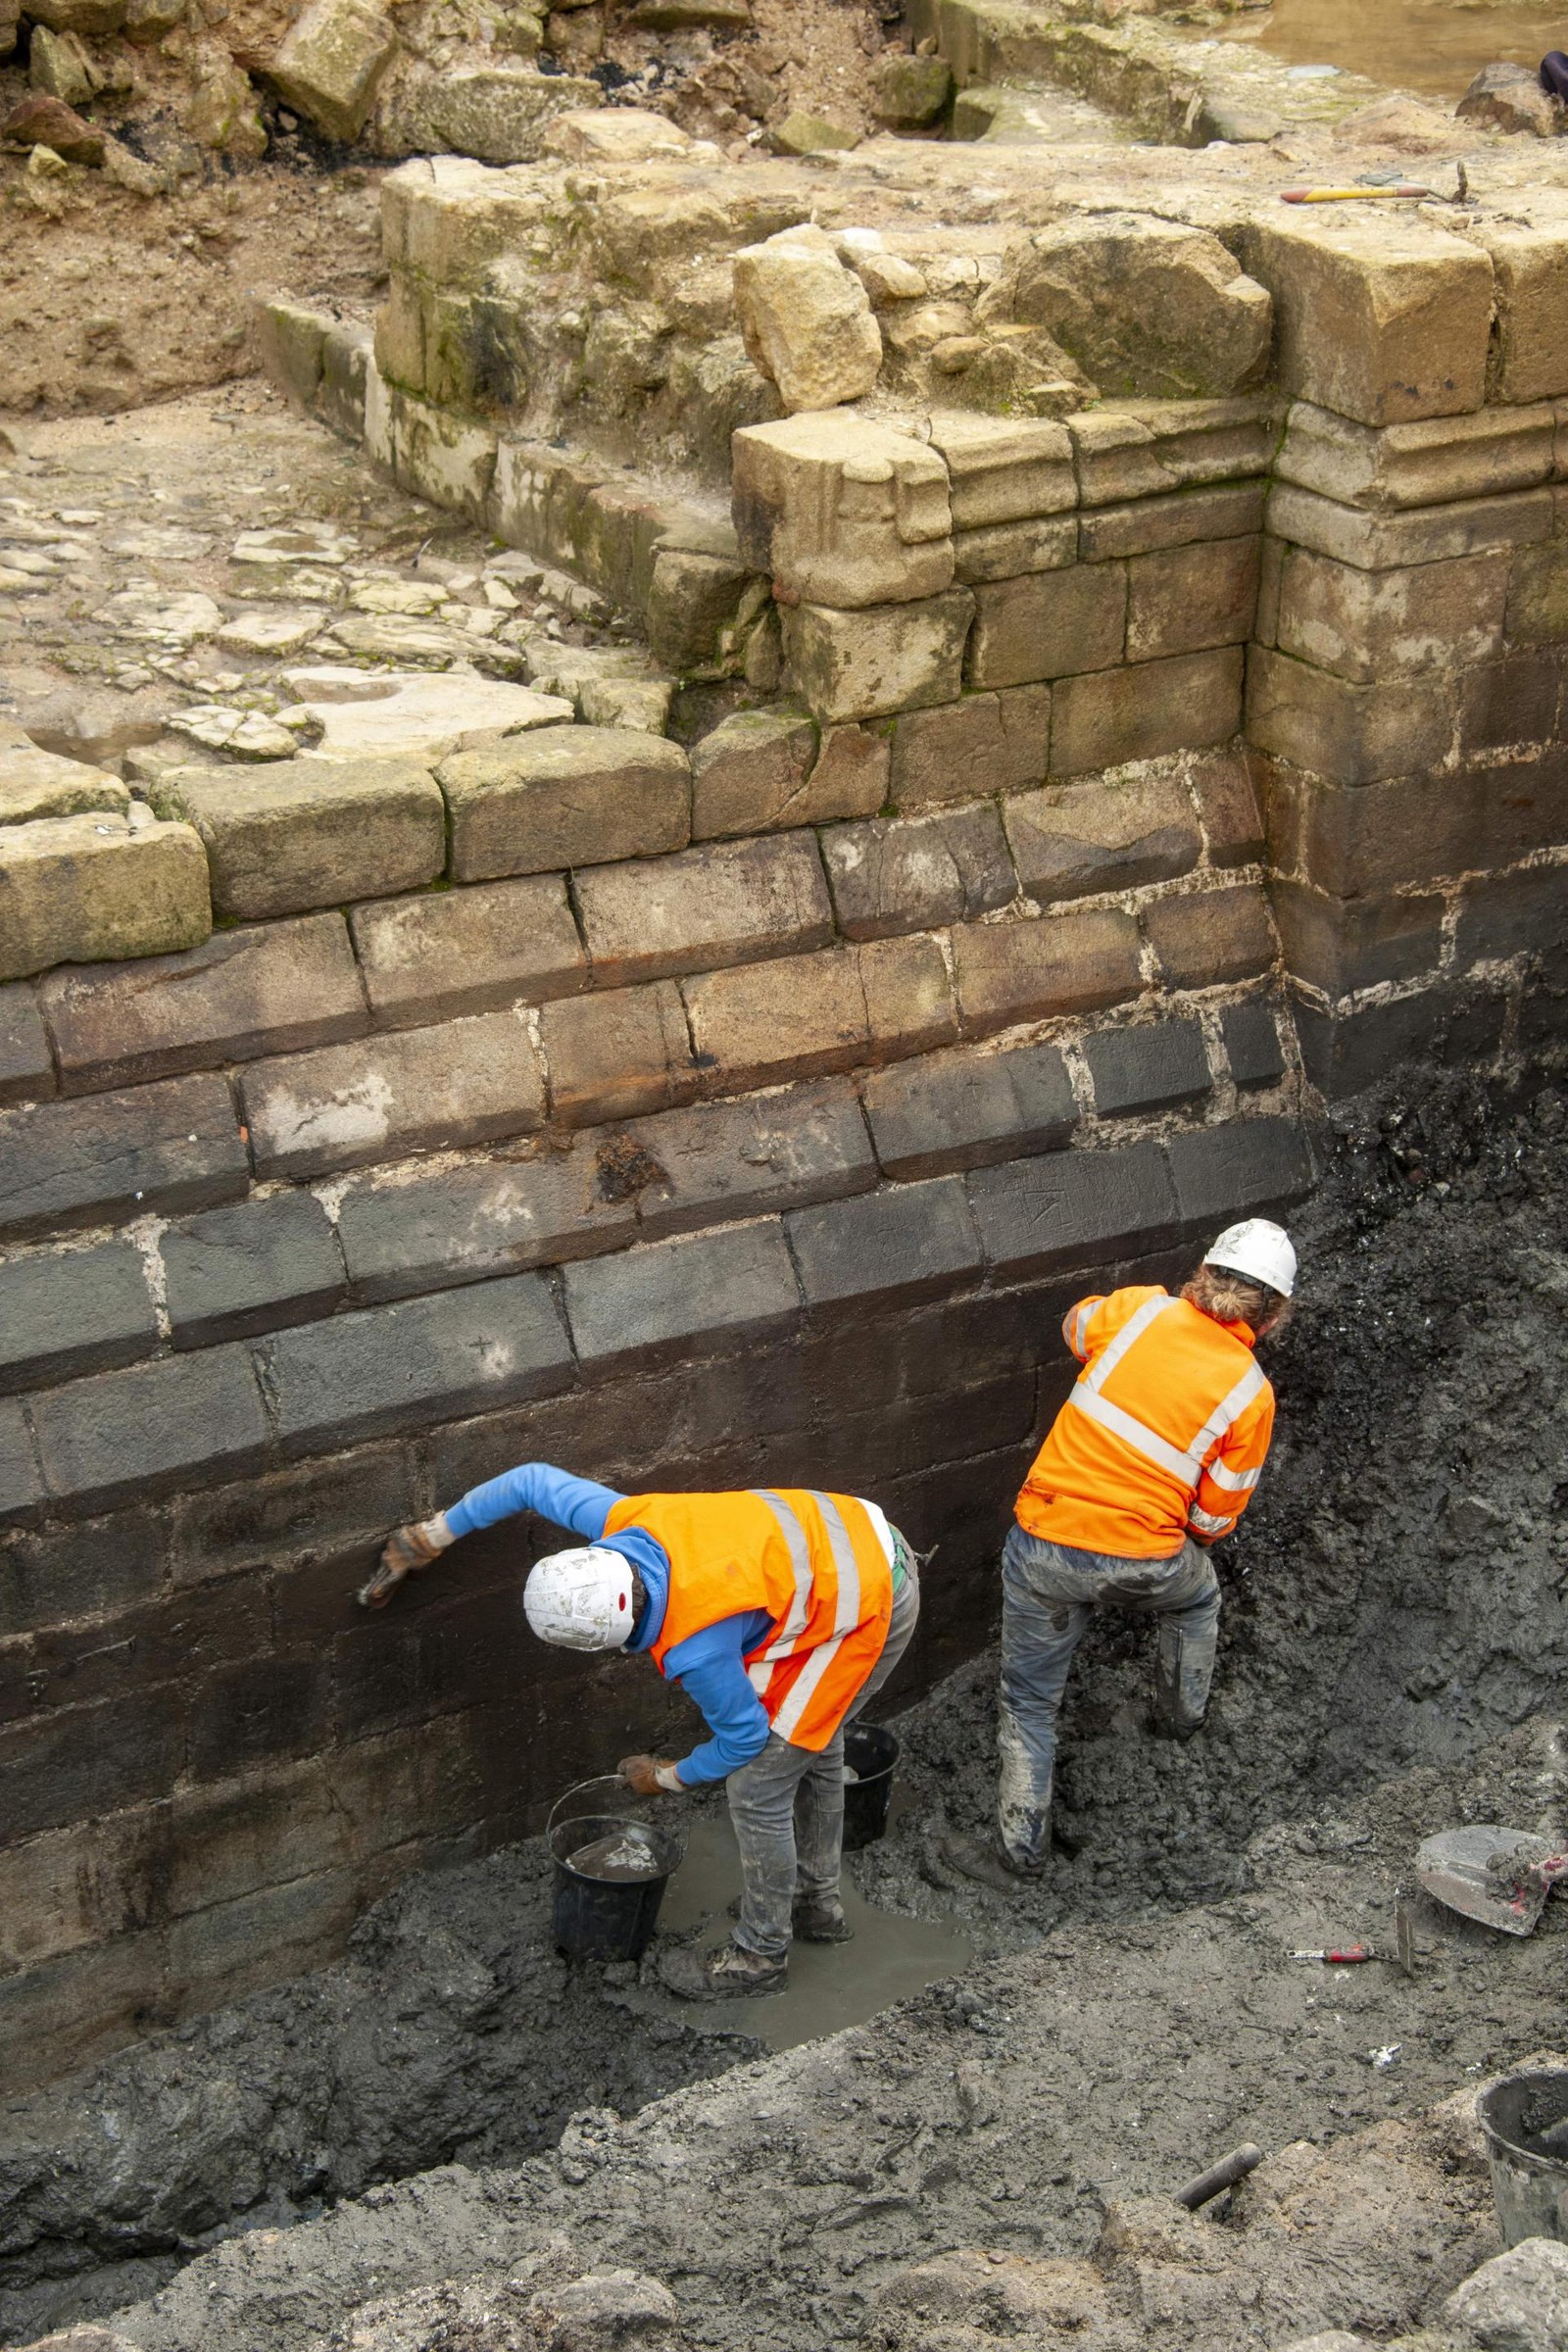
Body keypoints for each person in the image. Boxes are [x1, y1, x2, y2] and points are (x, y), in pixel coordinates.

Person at [365, 1465, 921, 1997]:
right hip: (843, 1537)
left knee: (758, 1785)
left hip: (869, 1596)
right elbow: (530, 1481)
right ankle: (815, 1907)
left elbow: (744, 1740)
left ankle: (760, 1957)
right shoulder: (627, 1521)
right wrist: (430, 1537)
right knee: (810, 1738)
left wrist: (667, 1777)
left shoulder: (697, 1647)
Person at [979, 1217, 1296, 1880]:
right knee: (1198, 1598)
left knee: (1029, 1702)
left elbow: (1075, 1326)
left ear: (1201, 1274)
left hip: (1043, 1545)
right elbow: (1214, 1518)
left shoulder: (1139, 1310)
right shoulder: (1251, 1395)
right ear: (1270, 1318)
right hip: (1144, 1560)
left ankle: (1019, 1854)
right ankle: (1179, 1724)